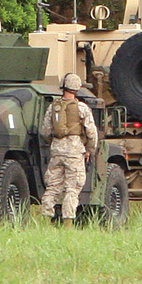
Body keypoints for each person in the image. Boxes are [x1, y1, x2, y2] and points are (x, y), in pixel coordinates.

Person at [39, 72, 99, 226]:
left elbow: (45, 131)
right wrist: (89, 150)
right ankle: (68, 223)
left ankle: (46, 221)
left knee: (52, 187)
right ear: (77, 88)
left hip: (56, 151)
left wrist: (54, 143)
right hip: (74, 152)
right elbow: (92, 133)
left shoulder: (53, 107)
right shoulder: (82, 108)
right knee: (72, 188)